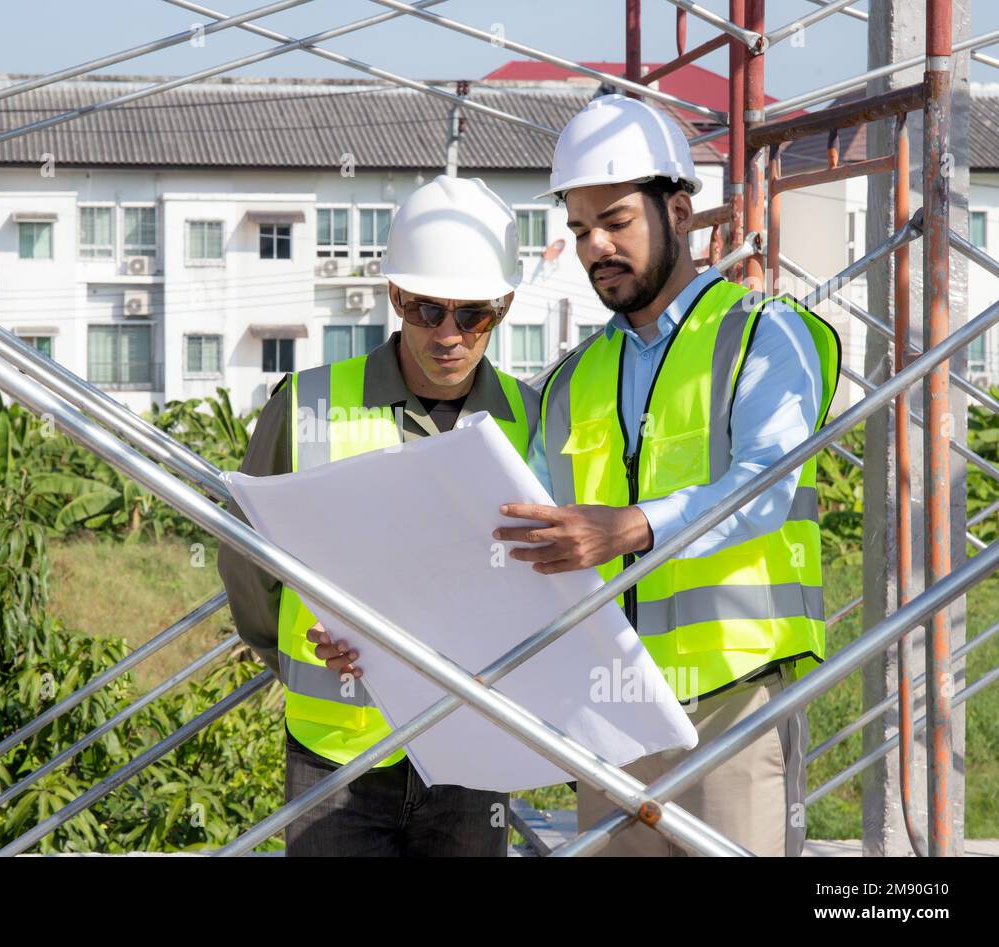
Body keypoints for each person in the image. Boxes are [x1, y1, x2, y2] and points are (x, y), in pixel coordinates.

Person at [494, 93, 841, 856]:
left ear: (679, 212)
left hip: (732, 705)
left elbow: (766, 482)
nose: (595, 247)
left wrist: (633, 525)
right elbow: (527, 537)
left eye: (615, 221)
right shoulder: (570, 380)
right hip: (610, 707)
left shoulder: (760, 332)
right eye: (581, 229)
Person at [218, 174, 539, 857]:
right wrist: (298, 644)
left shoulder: (534, 418)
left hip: (472, 747)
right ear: (395, 296)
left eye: (473, 314)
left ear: (504, 307)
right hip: (337, 754)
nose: (449, 335)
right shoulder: (306, 404)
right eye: (427, 309)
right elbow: (249, 557)